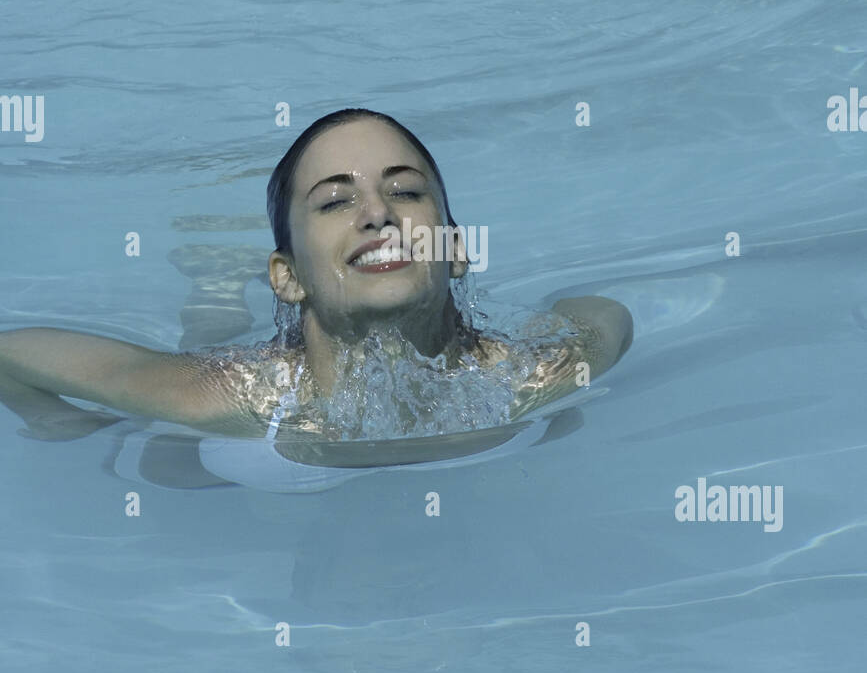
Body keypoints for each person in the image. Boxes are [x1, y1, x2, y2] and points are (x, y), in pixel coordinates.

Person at [0, 109, 632, 475]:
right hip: (256, 453)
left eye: (407, 191)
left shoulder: (538, 374)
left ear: (456, 249)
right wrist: (55, 418)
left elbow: (604, 316)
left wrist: (554, 342)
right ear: (288, 275)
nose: (377, 213)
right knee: (174, 472)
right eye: (334, 201)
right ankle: (217, 285)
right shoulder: (230, 396)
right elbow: (9, 352)